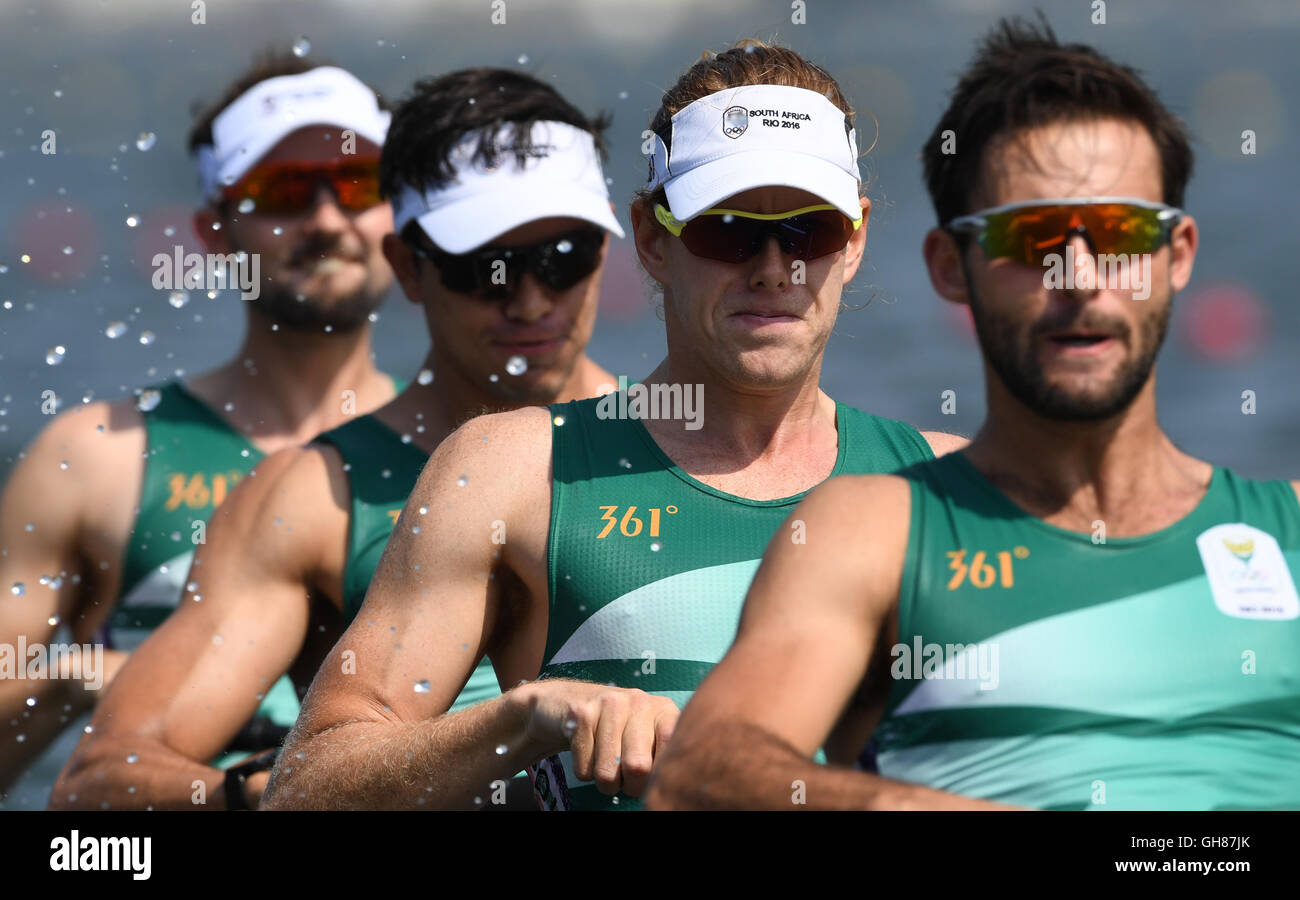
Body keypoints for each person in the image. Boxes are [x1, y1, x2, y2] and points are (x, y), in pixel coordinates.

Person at [263, 40, 965, 812]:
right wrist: (525, 721)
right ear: (654, 240)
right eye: (728, 230)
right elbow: (304, 788)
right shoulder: (508, 473)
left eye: (809, 232)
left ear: (855, 240)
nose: (772, 267)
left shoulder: (955, 491)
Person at [645, 18, 1300, 811]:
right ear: (950, 268)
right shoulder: (872, 536)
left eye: (1121, 232)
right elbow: (700, 774)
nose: (1079, 275)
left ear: (1180, 253)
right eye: (1030, 238)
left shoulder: (1287, 528)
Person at [50, 68, 625, 811]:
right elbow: (95, 789)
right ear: (407, 267)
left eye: (563, 257)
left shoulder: (713, 447)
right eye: (486, 268)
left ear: (614, 244)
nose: (531, 300)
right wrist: (285, 794)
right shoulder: (313, 496)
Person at [0, 53, 402, 800]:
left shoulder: (470, 448)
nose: (324, 219)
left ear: (400, 212)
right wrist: (72, 683)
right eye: (282, 192)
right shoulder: (94, 458)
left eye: (357, 184)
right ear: (215, 230)